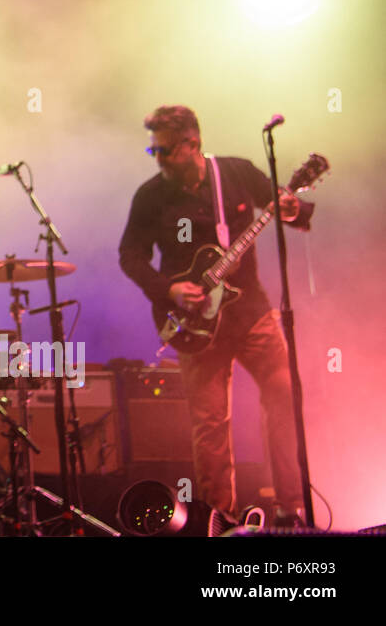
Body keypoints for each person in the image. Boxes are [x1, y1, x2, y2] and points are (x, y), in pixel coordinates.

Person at [118, 105, 312, 528]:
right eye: (154, 152)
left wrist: (293, 209)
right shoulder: (151, 196)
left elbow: (287, 210)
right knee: (209, 423)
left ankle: (290, 508)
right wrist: (167, 289)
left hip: (251, 312)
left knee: (284, 396)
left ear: (193, 144)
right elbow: (129, 255)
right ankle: (219, 518)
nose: (160, 159)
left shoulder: (237, 174)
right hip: (193, 323)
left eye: (166, 150)